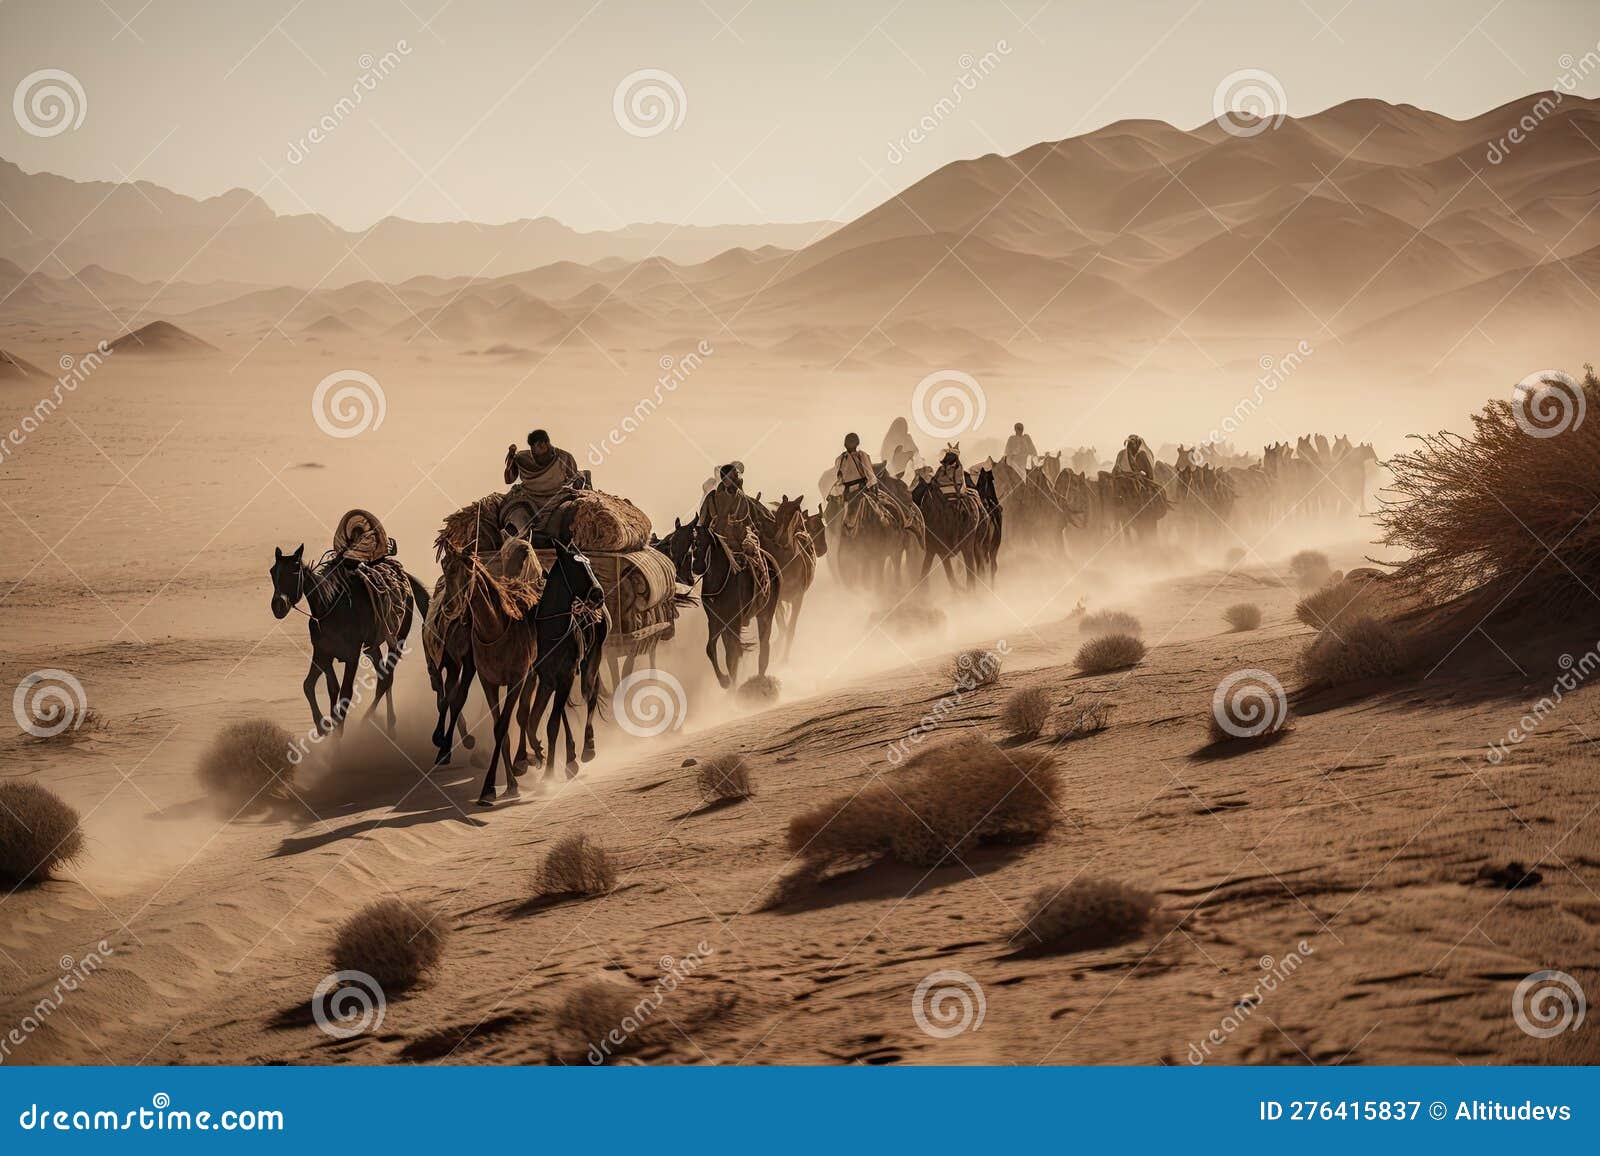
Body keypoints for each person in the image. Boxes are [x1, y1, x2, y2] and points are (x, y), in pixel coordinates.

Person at [503, 429, 582, 538]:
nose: (534, 455)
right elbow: (509, 480)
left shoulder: (565, 457)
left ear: (544, 444)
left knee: (569, 514)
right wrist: (510, 460)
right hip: (530, 500)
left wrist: (577, 491)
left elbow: (575, 479)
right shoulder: (522, 458)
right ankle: (514, 535)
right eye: (531, 449)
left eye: (536, 448)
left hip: (557, 500)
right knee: (518, 514)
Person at [835, 433, 877, 498]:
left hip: (847, 494)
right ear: (857, 443)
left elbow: (838, 480)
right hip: (861, 491)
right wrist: (874, 487)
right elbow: (870, 474)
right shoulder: (861, 455)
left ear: (845, 445)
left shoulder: (840, 459)